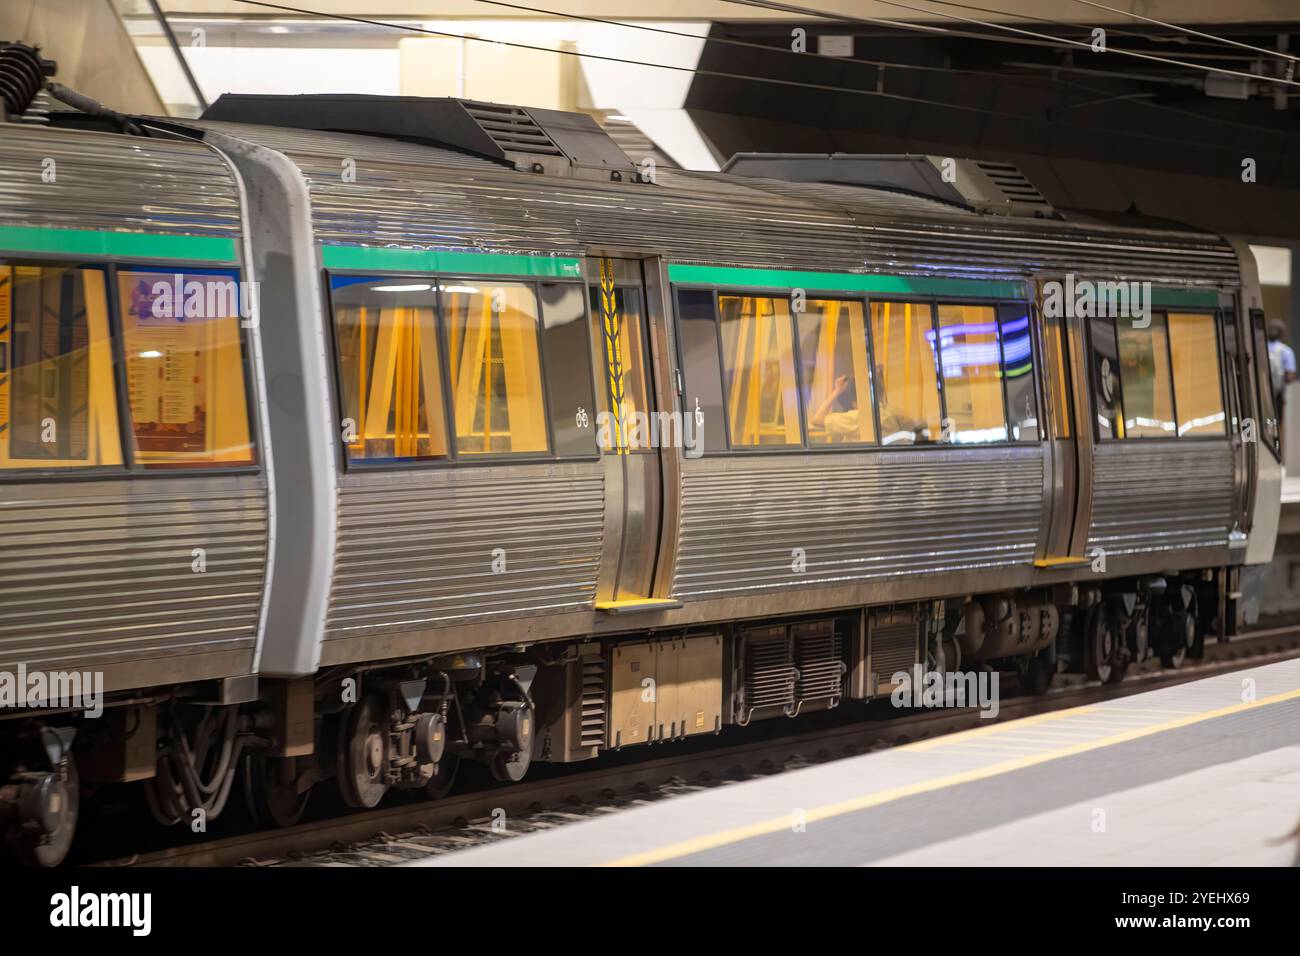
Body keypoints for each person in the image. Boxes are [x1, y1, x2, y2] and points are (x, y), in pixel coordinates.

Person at [809, 373, 930, 444]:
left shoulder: (858, 417)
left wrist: (836, 391)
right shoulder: (890, 413)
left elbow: (817, 420)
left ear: (857, 401)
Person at [1268, 320, 1296, 434]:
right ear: (1282, 334)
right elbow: (1290, 377)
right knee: (1278, 424)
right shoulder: (1286, 351)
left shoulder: (1259, 350)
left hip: (1261, 394)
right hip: (1278, 395)